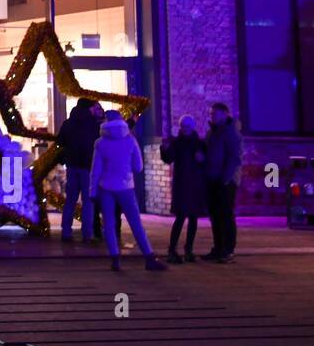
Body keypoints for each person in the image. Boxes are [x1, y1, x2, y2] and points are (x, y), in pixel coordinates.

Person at [89, 109, 165, 272]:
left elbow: (96, 170)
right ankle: (149, 257)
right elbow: (138, 167)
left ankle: (115, 258)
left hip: (106, 187)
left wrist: (92, 191)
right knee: (135, 222)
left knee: (109, 223)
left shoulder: (100, 142)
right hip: (126, 187)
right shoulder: (130, 140)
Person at [160, 114, 206, 264]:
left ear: (192, 127)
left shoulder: (199, 143)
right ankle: (172, 250)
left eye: (188, 127)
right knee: (180, 218)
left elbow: (204, 161)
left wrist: (202, 160)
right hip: (182, 184)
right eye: (184, 126)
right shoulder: (178, 142)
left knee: (192, 218)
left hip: (194, 184)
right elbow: (168, 159)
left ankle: (188, 250)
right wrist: (164, 149)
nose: (186, 129)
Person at [202, 102, 243, 264]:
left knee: (225, 214)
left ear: (225, 114)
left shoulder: (230, 131)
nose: (212, 116)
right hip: (213, 178)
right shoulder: (213, 132)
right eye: (212, 113)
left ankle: (228, 249)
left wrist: (226, 179)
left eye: (215, 113)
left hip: (225, 180)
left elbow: (234, 157)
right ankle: (218, 247)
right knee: (215, 215)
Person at [56, 98, 99, 243]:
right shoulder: (93, 124)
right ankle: (87, 234)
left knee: (70, 200)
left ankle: (66, 232)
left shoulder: (68, 123)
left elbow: (60, 142)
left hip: (72, 166)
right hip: (87, 167)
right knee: (88, 202)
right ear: (88, 108)